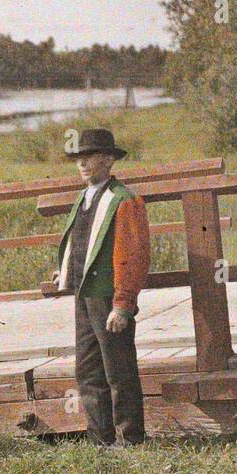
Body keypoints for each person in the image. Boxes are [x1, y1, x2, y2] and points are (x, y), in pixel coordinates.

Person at [55, 128, 151, 445]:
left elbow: (133, 256)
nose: (83, 164)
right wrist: (65, 272)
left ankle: (131, 439)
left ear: (109, 160)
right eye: (79, 158)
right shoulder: (83, 199)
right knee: (88, 371)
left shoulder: (124, 201)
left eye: (90, 157)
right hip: (84, 296)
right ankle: (100, 439)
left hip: (109, 297)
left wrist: (122, 305)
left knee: (119, 371)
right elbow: (79, 242)